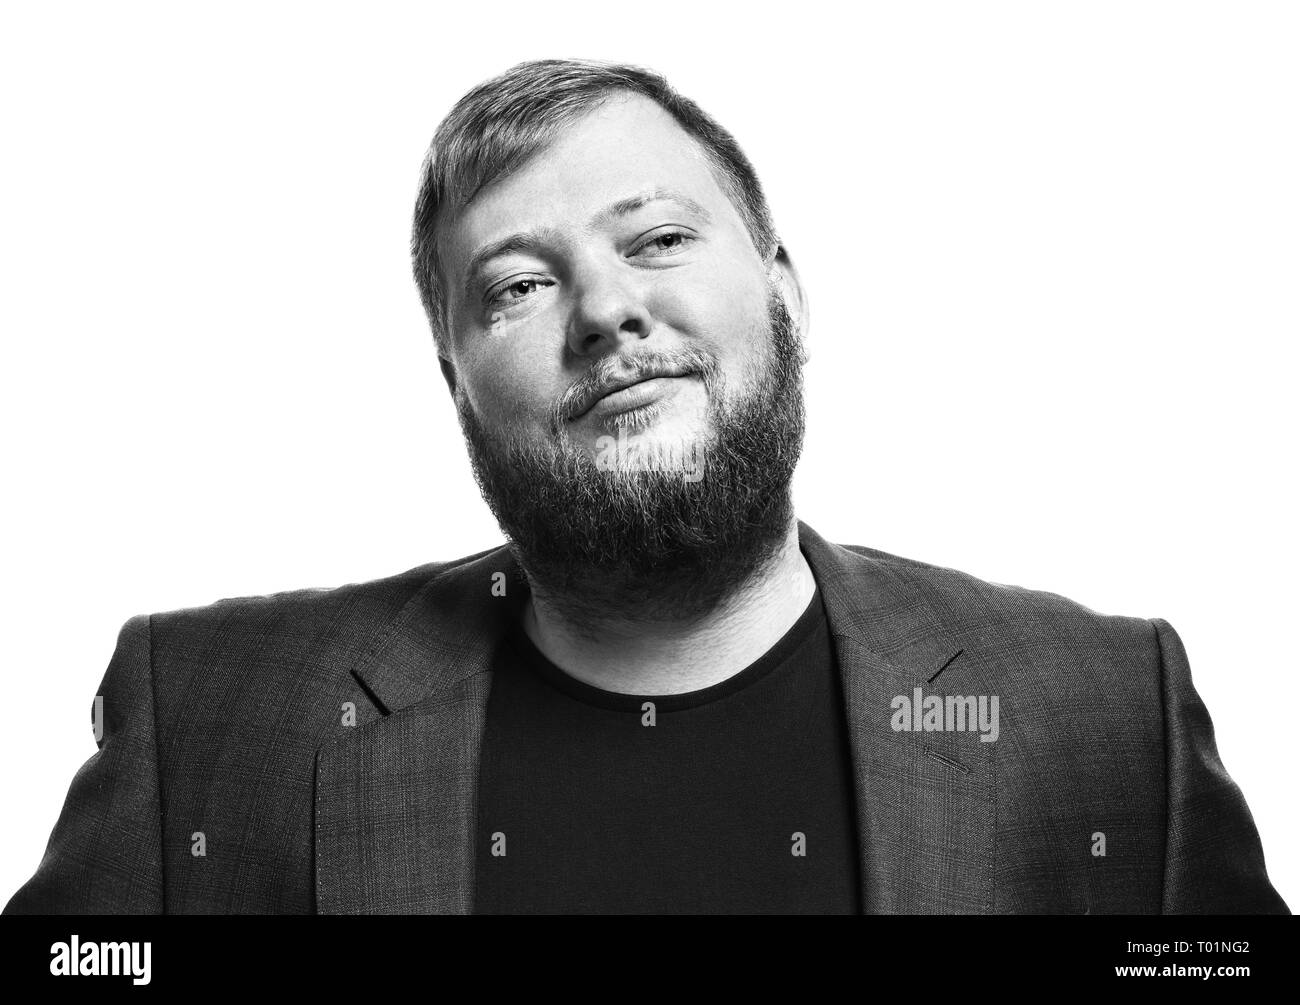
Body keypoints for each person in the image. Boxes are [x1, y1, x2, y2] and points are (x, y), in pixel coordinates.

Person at [5, 59, 1287, 915]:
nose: (609, 311)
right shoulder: (214, 727)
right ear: (455, 381)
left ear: (786, 295)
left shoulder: (1103, 719)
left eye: (660, 238)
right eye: (516, 284)